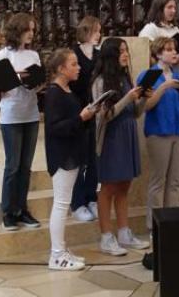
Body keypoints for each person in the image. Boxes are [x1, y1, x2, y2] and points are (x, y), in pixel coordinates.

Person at [43, 48, 99, 271]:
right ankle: (56, 255)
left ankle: (61, 250)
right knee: (61, 204)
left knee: (62, 203)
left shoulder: (67, 90)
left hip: (72, 153)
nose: (79, 68)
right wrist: (80, 117)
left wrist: (86, 117)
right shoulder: (54, 93)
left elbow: (73, 123)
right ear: (60, 68)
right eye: (74, 64)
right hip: (62, 155)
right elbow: (55, 128)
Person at [93, 37, 149, 255]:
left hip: (127, 133)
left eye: (126, 51)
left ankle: (124, 232)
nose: (126, 55)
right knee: (109, 187)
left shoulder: (125, 77)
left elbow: (134, 113)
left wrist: (143, 99)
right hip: (111, 137)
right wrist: (127, 97)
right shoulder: (100, 81)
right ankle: (106, 237)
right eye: (121, 52)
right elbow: (105, 115)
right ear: (111, 56)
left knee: (124, 185)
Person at [139, 37, 179, 232]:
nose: (173, 52)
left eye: (174, 49)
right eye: (168, 49)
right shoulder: (148, 75)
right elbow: (146, 105)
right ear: (158, 54)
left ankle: (172, 224)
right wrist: (164, 87)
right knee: (159, 180)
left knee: (175, 181)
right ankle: (154, 225)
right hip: (158, 132)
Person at [0, 13, 43, 231]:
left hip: (31, 113)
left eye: (33, 30)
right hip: (11, 115)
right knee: (13, 165)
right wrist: (17, 77)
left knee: (26, 166)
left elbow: (39, 82)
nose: (31, 34)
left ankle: (22, 209)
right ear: (17, 31)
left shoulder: (34, 55)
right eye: (28, 30)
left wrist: (37, 82)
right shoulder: (3, 54)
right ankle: (7, 211)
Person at [70, 16, 102, 222]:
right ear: (86, 31)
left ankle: (91, 197)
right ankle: (77, 201)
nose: (99, 34)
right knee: (79, 159)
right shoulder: (74, 53)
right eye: (96, 30)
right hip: (79, 108)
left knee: (93, 158)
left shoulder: (99, 54)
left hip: (96, 107)